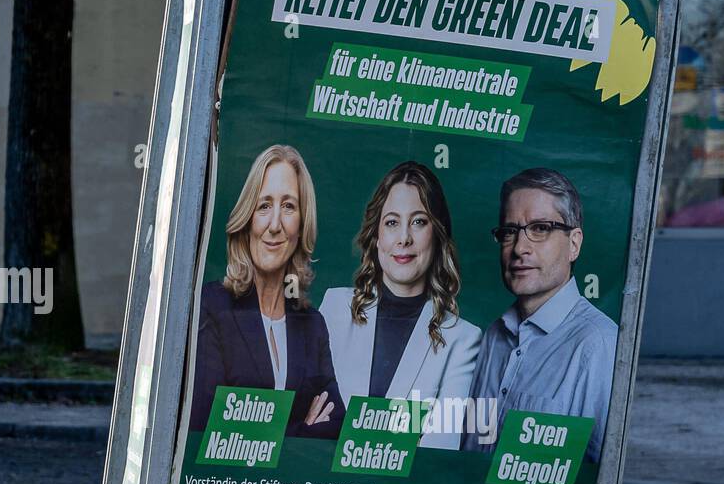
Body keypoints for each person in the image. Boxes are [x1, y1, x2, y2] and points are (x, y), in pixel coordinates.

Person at [461, 167, 618, 462]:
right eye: (510, 232)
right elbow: (471, 446)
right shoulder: (493, 336)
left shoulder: (599, 346)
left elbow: (603, 483)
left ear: (574, 244)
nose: (520, 248)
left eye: (540, 229)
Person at [320, 161, 481, 449]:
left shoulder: (464, 340)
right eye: (392, 222)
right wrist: (407, 437)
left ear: (437, 233)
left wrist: (343, 429)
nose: (404, 238)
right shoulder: (334, 308)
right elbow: (305, 432)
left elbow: (437, 453)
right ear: (377, 235)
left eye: (419, 221)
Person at [188, 144, 343, 437]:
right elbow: (205, 428)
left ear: (301, 223)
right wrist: (300, 430)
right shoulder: (213, 306)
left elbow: (335, 425)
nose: (274, 225)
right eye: (264, 206)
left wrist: (262, 431)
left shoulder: (312, 324)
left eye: (288, 206)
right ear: (246, 220)